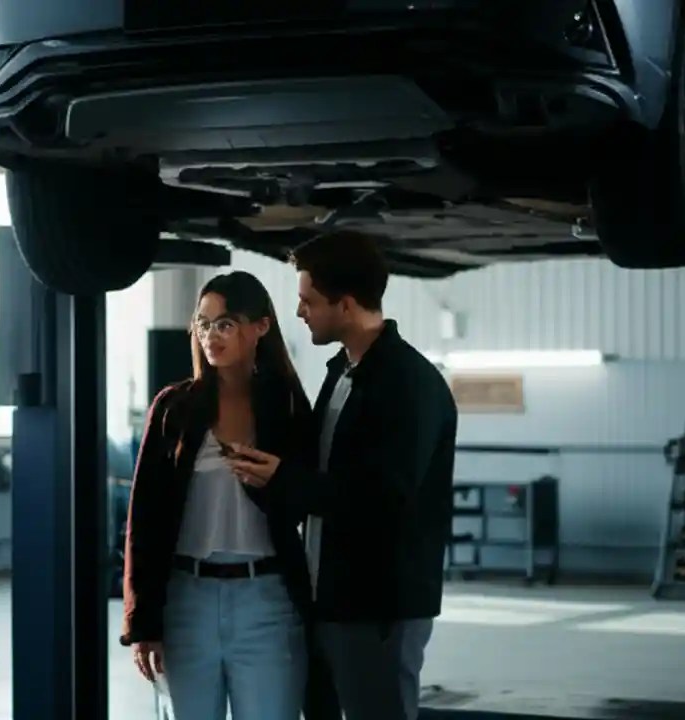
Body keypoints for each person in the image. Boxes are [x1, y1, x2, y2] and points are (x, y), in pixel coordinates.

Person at [227, 230, 459, 720]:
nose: (300, 312)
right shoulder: (342, 373)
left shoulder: (408, 384)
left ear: (346, 305)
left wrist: (284, 479)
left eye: (308, 300)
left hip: (379, 609)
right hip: (333, 600)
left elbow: (383, 496)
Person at [120, 270, 317, 720]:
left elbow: (313, 497)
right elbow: (144, 519)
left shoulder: (285, 404)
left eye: (226, 323)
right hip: (186, 599)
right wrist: (142, 621)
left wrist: (279, 479)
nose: (212, 336)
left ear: (260, 326)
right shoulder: (175, 408)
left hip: (266, 600)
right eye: (204, 324)